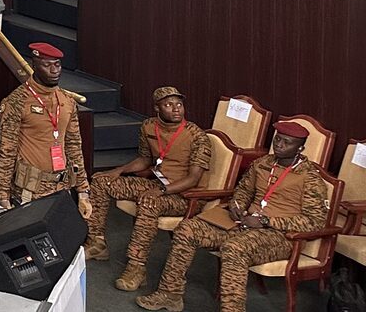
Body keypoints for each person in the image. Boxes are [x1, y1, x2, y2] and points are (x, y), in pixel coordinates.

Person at [136, 122, 328, 312]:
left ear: (300, 148)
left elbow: (314, 222)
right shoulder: (262, 163)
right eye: (277, 139)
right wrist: (237, 205)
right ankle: (169, 294)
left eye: (287, 142)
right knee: (187, 229)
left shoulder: (310, 177)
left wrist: (266, 221)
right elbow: (243, 191)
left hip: (280, 236)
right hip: (243, 223)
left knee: (235, 249)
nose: (279, 144)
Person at [85, 86, 211, 292]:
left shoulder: (196, 136)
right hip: (156, 184)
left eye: (179, 104)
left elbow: (193, 178)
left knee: (149, 201)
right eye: (169, 105)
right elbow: (145, 160)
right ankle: (96, 243)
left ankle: (136, 266)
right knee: (101, 181)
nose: (176, 109)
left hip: (183, 195)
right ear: (157, 108)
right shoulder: (148, 126)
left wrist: (160, 192)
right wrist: (118, 170)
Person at [0, 43, 88, 214]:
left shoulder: (67, 101)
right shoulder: (17, 101)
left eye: (57, 64)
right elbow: (7, 150)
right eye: (47, 65)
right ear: (34, 66)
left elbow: (74, 146)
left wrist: (83, 190)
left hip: (61, 187)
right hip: (29, 190)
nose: (54, 70)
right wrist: (3, 194)